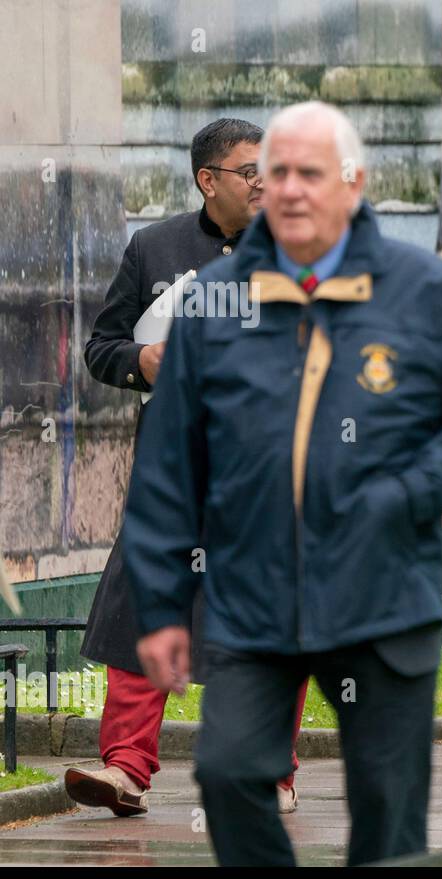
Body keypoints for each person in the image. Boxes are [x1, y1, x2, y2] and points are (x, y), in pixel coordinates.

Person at [121, 101, 442, 865]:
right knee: (229, 772)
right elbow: (168, 466)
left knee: (387, 815)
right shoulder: (215, 304)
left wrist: (401, 497)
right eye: (275, 173)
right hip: (251, 600)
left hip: (381, 600)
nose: (292, 189)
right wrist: (160, 603)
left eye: (311, 173)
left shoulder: (421, 292)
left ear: (353, 182)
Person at [70, 118, 309, 818]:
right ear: (209, 180)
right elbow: (102, 345)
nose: (267, 183)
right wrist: (140, 362)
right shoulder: (155, 248)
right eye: (250, 172)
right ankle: (126, 770)